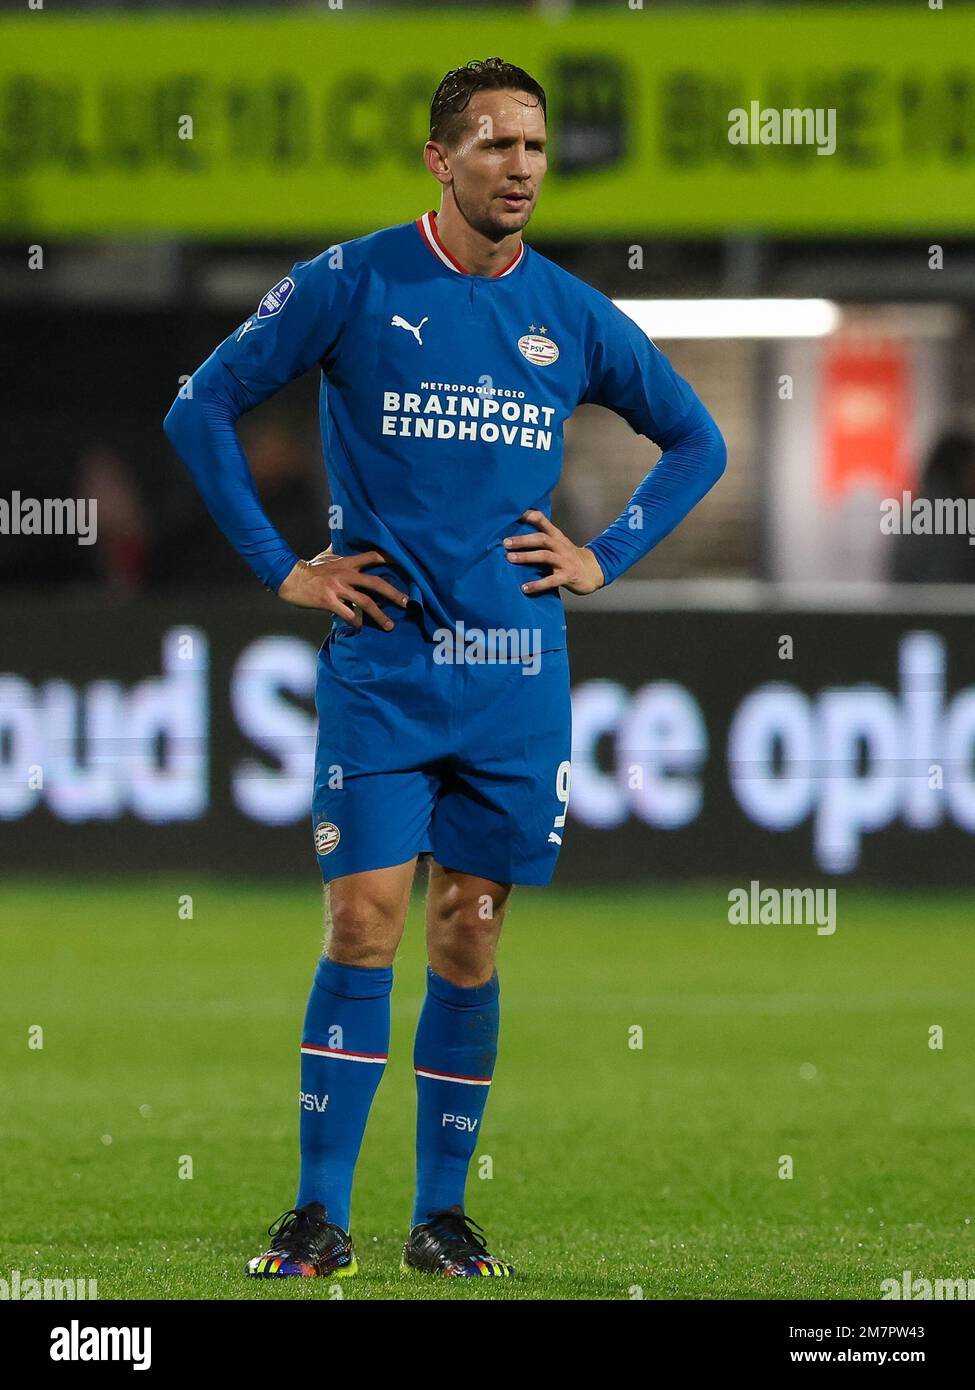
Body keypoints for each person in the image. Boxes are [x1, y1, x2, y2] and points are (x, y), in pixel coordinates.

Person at [163, 57, 726, 1281]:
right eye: (494, 145)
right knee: (361, 922)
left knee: (467, 937)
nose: (520, 167)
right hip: (385, 667)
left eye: (534, 147)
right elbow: (198, 408)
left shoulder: (572, 313)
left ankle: (443, 1214)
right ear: (440, 159)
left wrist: (606, 554)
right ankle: (318, 1214)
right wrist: (282, 567)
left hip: (517, 674)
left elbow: (698, 438)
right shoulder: (355, 279)